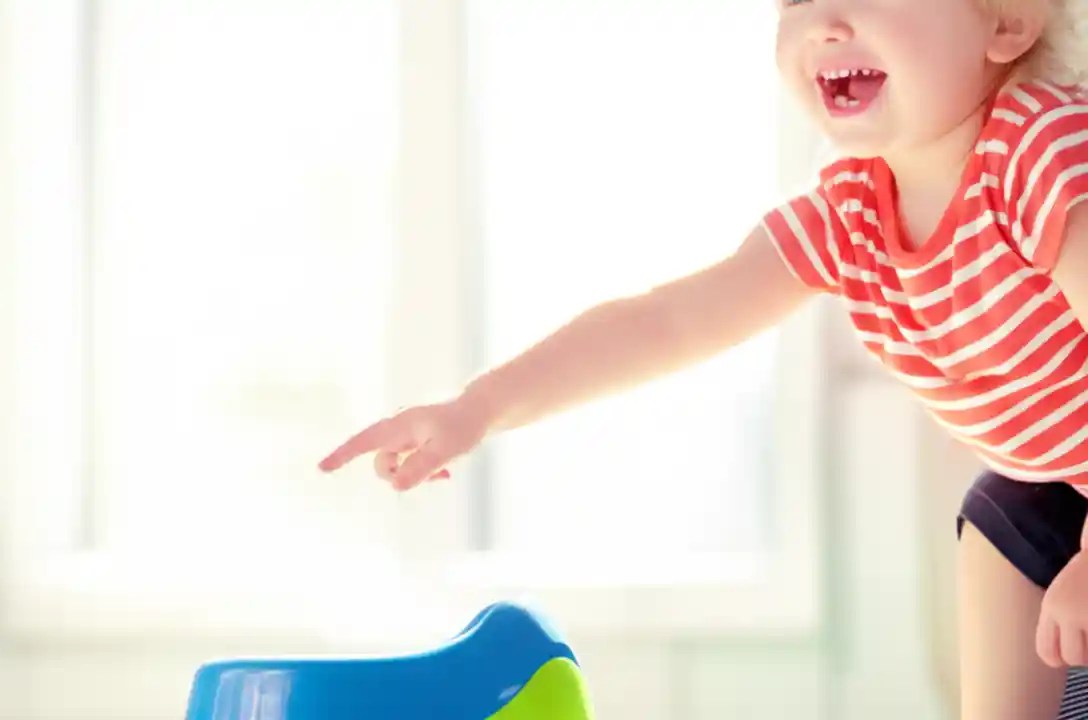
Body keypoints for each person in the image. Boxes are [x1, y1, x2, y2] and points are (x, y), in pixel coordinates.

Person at [318, 1, 1088, 716]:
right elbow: (667, 323)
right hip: (1040, 490)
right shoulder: (847, 212)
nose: (824, 22)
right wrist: (478, 407)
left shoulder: (1041, 152)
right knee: (1000, 518)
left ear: (1007, 23)